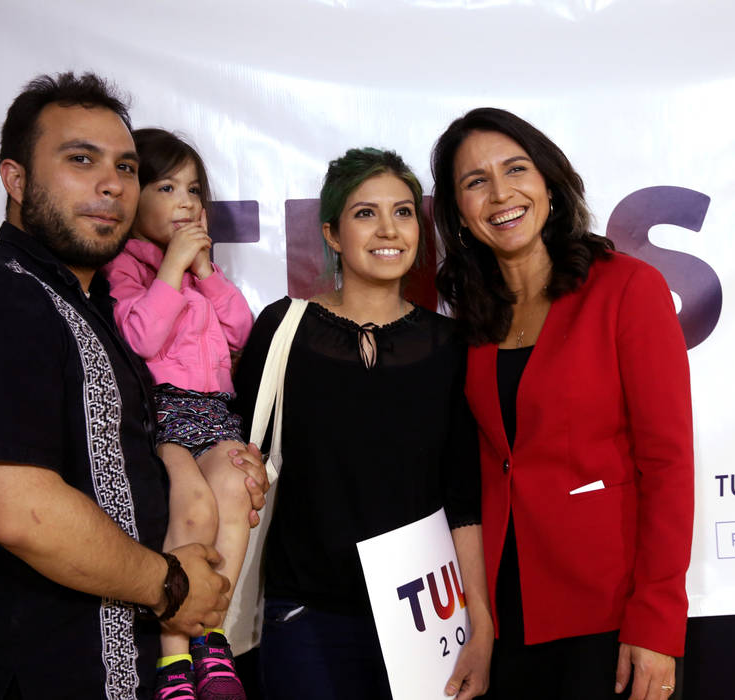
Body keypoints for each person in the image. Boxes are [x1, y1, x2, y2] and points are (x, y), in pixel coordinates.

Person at [0, 72, 267, 700]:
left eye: (126, 166)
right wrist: (170, 585)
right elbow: (21, 512)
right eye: (80, 160)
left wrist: (227, 464)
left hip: (133, 672)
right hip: (27, 674)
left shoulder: (101, 310)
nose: (111, 184)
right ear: (15, 178)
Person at [430, 108, 694, 700]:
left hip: (608, 616)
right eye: (475, 182)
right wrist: (480, 624)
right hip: (507, 622)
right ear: (460, 215)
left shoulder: (628, 288)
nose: (500, 193)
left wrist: (656, 620)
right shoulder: (469, 319)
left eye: (515, 169)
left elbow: (669, 464)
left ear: (548, 181)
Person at [231, 148, 492, 700]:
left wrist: (482, 622)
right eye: (365, 213)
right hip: (305, 616)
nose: (388, 229)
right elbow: (239, 458)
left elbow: (462, 498)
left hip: (427, 618)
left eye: (402, 212)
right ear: (331, 233)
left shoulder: (450, 345)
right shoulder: (284, 329)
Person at [103, 128, 256, 700]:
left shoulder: (201, 272)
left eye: (194, 189)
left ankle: (212, 637)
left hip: (215, 416)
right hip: (165, 417)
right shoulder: (127, 268)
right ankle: (173, 660)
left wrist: (206, 271)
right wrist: (171, 266)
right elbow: (141, 335)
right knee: (192, 507)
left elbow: (242, 330)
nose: (187, 201)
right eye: (167, 187)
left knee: (238, 490)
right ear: (133, 195)